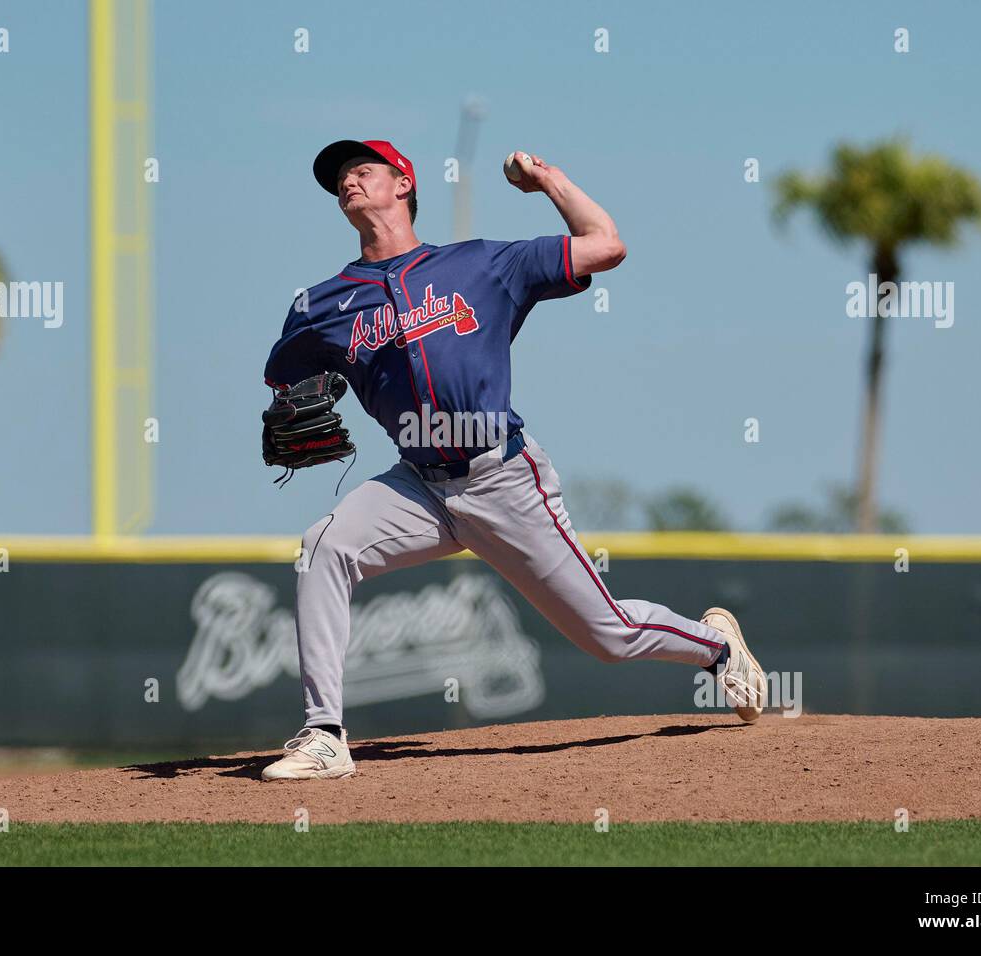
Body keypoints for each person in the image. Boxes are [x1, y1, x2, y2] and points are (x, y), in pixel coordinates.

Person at [259, 139, 765, 781]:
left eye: (363, 170)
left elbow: (606, 244)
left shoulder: (481, 265)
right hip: (418, 487)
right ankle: (324, 734)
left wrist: (547, 180)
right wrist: (291, 398)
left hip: (502, 478)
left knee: (606, 635)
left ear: (404, 182)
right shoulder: (325, 305)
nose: (348, 183)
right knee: (323, 548)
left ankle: (716, 646)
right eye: (340, 179)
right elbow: (284, 379)